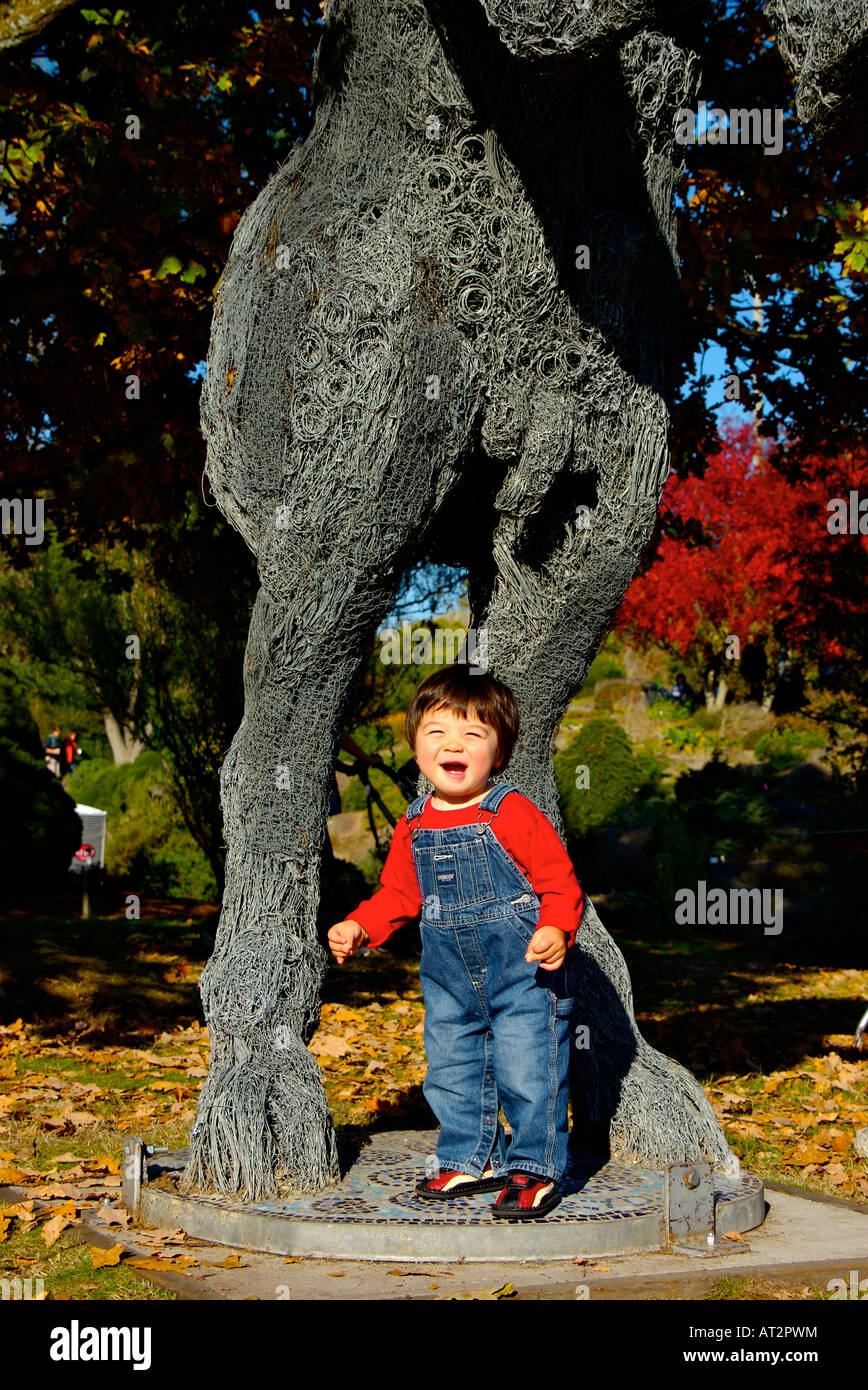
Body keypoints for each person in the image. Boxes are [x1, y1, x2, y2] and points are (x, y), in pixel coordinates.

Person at [328, 665, 583, 1220]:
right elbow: (398, 893)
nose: (453, 744)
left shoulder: (511, 812)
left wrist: (555, 928)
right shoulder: (414, 824)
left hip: (524, 970)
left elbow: (558, 881)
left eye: (473, 734)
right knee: (451, 1065)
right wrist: (359, 926)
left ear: (498, 752)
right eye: (437, 732)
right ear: (416, 748)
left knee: (527, 1065)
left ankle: (534, 1168)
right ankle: (471, 1156)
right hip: (448, 980)